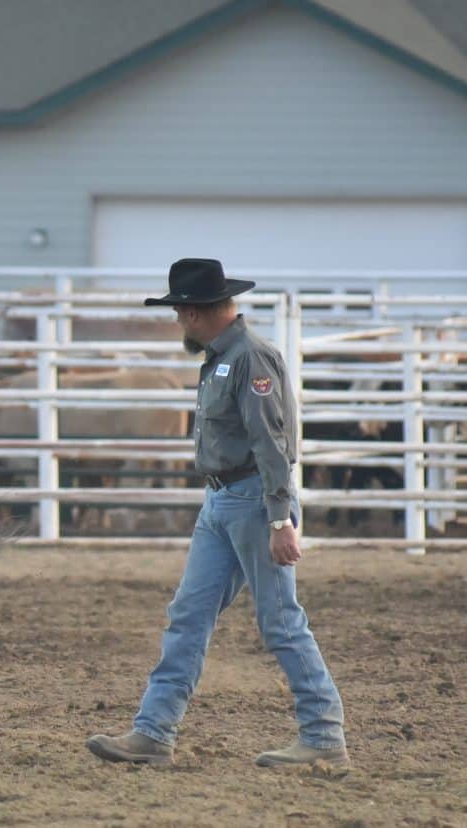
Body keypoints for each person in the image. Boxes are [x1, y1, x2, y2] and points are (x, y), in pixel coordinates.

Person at [86, 258, 347, 768]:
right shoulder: (228, 357)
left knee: (280, 621)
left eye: (178, 313)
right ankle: (153, 731)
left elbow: (272, 443)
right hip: (224, 500)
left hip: (253, 501)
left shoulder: (250, 359)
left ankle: (323, 735)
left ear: (193, 312)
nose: (178, 322)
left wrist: (279, 519)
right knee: (190, 614)